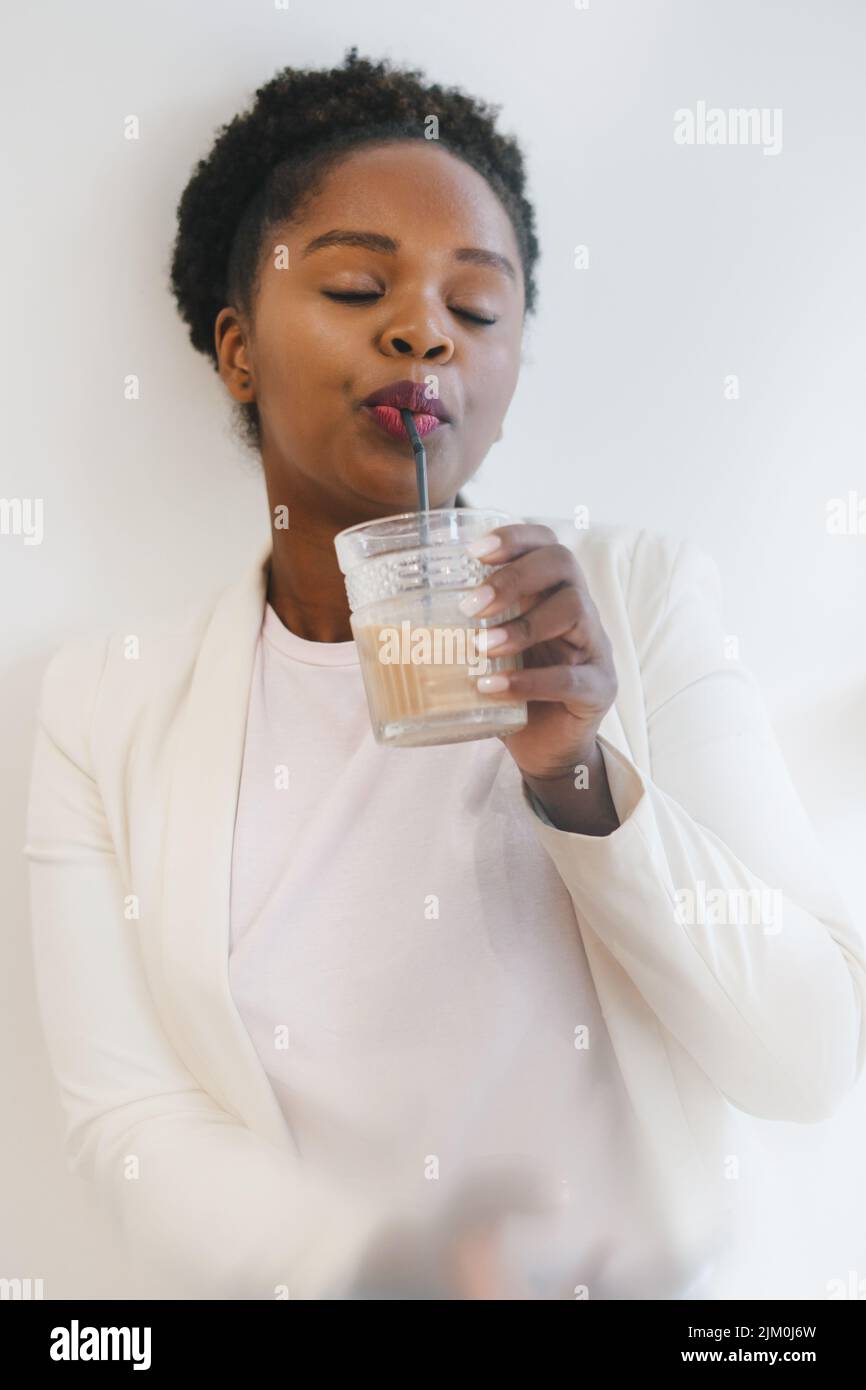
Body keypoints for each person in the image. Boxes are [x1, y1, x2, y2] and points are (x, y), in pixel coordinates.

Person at [23, 48, 866, 1301]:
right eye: (360, 284)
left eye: (476, 310)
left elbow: (807, 1055)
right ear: (237, 348)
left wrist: (578, 772)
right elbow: (129, 1119)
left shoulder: (635, 599)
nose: (424, 329)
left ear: (510, 373)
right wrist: (386, 1270)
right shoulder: (105, 704)